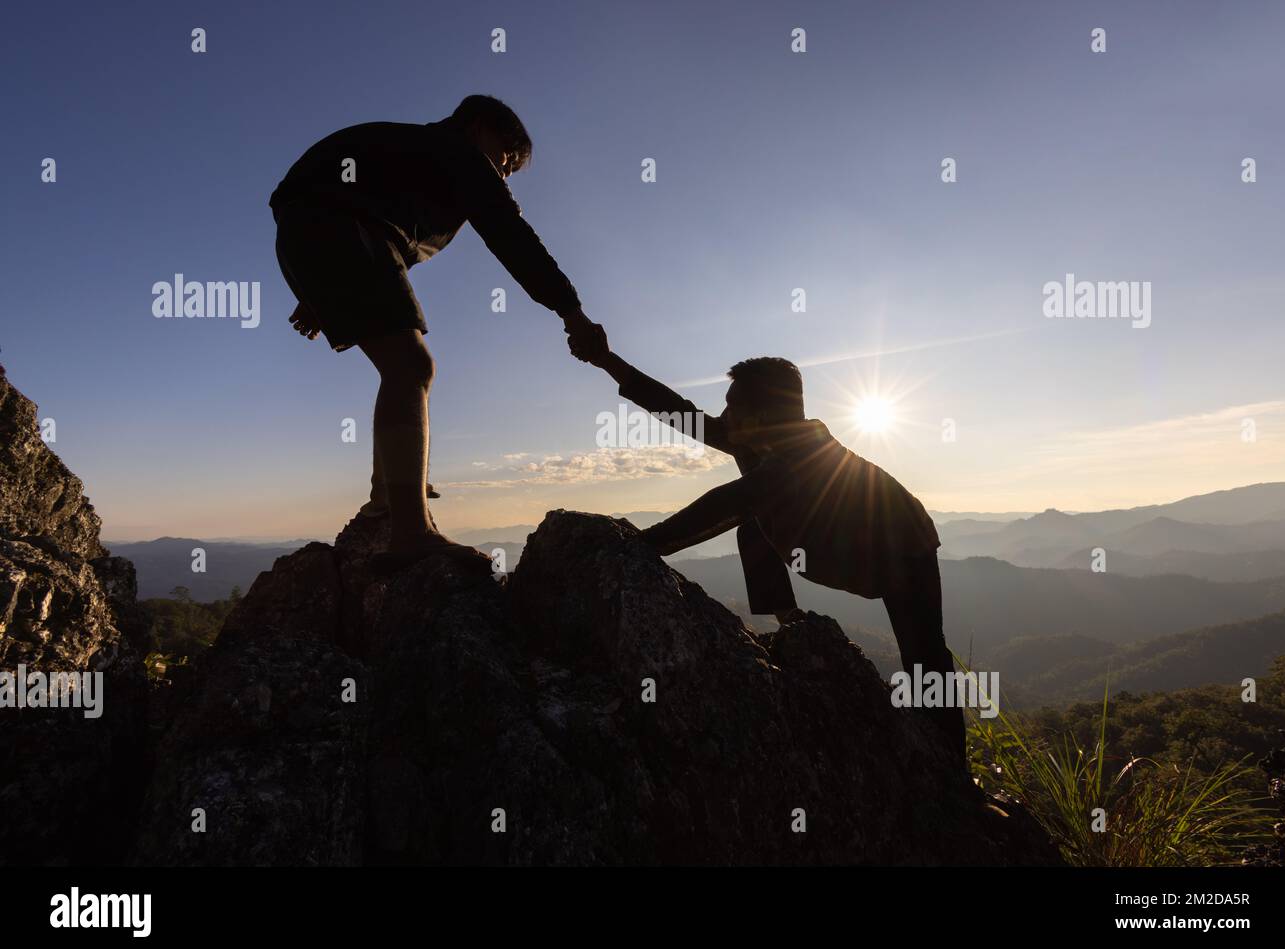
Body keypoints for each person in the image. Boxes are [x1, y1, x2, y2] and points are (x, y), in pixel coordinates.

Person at [574, 336, 966, 759]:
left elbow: (725, 503)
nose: (723, 416)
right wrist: (607, 360)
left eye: (732, 406)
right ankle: (789, 620)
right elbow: (683, 414)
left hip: (902, 549)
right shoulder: (756, 436)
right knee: (754, 526)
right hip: (827, 542)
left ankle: (953, 764)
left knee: (924, 651)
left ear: (760, 416)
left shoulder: (803, 457)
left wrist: (643, 544)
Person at [270, 94, 603, 572]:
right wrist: (571, 312)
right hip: (341, 227)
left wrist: (319, 288)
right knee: (411, 365)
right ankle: (411, 533)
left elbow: (338, 199)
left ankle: (386, 496)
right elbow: (513, 238)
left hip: (312, 231)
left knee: (400, 365)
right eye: (505, 157)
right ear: (477, 125)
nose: (504, 172)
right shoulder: (458, 153)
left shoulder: (414, 150)